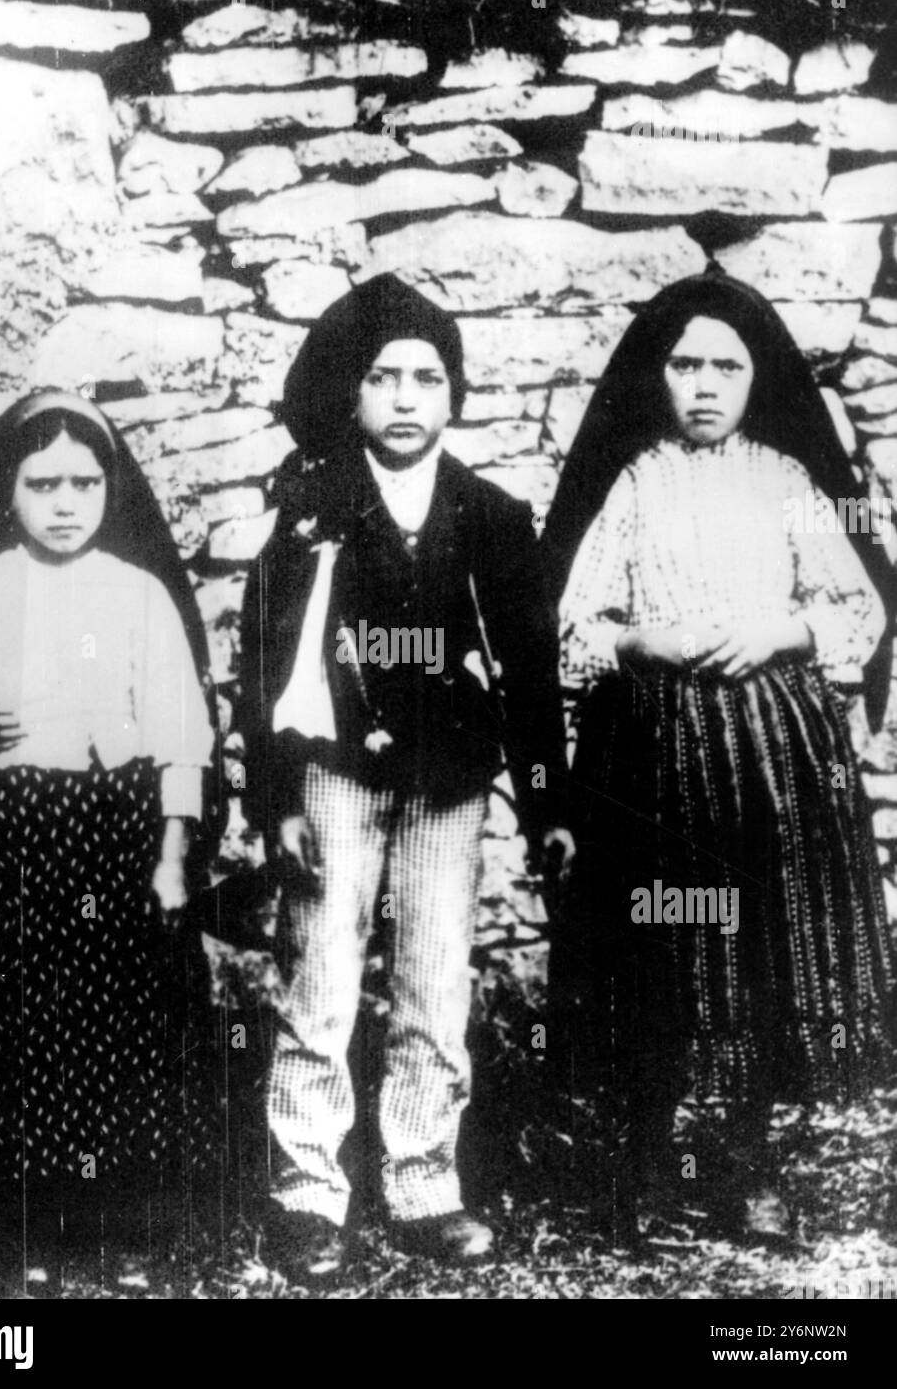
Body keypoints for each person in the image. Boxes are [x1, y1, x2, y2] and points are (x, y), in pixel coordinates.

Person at [544, 269, 897, 1244]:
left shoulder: (786, 483)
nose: (702, 383)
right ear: (657, 375)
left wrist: (781, 629)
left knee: (764, 955)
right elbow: (574, 619)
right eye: (684, 363)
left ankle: (745, 1166)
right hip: (651, 756)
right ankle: (651, 1173)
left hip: (770, 757)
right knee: (661, 956)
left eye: (725, 366)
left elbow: (856, 606)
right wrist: (638, 643)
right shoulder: (634, 482)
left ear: (757, 379)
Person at [240, 273, 573, 1282]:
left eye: (427, 378)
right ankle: (307, 1191)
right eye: (383, 377)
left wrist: (547, 798)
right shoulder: (310, 507)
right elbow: (264, 657)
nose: (404, 398)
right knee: (323, 972)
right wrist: (271, 797)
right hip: (338, 772)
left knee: (432, 973)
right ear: (352, 394)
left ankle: (424, 1179)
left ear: (454, 397)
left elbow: (529, 665)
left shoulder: (491, 517)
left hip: (450, 784)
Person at [0, 389, 221, 1292]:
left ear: (111, 489)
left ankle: (117, 1211)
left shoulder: (139, 592)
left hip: (118, 829)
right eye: (42, 484)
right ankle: (17, 1215)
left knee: (112, 1013)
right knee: (16, 1015)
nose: (65, 503)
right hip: (15, 832)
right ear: (10, 491)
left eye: (83, 482)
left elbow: (180, 730)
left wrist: (172, 855)